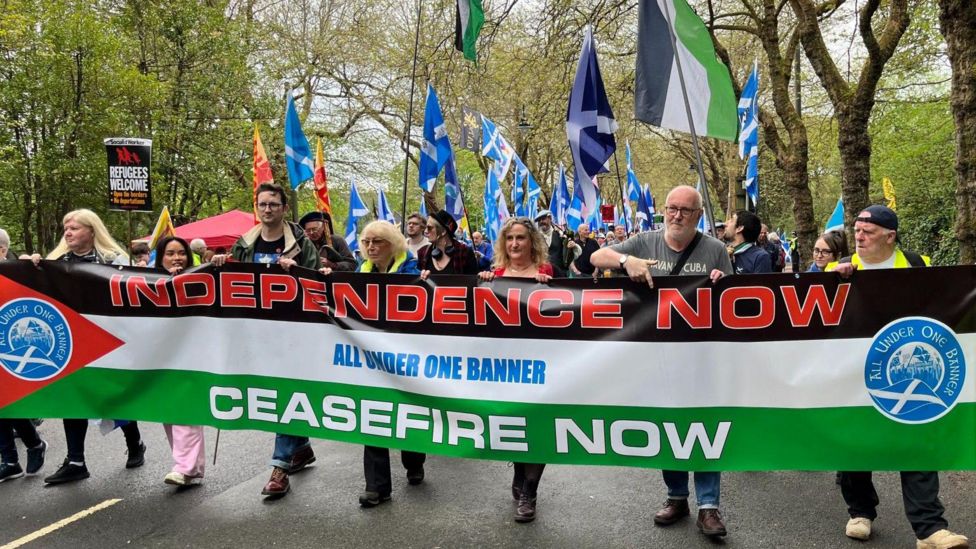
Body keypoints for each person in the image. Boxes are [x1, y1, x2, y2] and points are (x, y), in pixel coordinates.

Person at [590, 185, 732, 538]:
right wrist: (627, 261)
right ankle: (676, 496)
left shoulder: (714, 249)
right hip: (657, 355)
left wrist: (724, 280)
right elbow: (595, 258)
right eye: (672, 208)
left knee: (702, 427)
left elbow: (735, 293)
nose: (677, 215)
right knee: (669, 425)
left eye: (685, 210)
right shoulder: (643, 242)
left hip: (702, 355)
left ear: (699, 215)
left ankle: (709, 506)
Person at [827, 205, 968, 549]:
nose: (858, 237)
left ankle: (929, 529)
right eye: (856, 230)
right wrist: (831, 279)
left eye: (868, 231)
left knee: (917, 442)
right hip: (853, 373)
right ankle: (860, 512)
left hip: (906, 368)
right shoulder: (838, 269)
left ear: (890, 236)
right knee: (856, 443)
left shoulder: (921, 266)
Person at [212, 183, 320, 497]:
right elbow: (233, 282)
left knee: (286, 392)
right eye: (262, 204)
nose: (267, 209)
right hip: (257, 332)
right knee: (274, 392)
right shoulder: (245, 244)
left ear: (284, 208)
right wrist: (222, 265)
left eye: (273, 204)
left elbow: (316, 281)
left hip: (293, 332)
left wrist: (298, 270)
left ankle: (280, 467)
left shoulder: (300, 242)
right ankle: (300, 448)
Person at [23, 209, 145, 485]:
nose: (68, 232)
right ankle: (76, 460)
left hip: (109, 340)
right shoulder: (55, 262)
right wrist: (28, 265)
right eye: (66, 227)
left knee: (112, 397)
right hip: (72, 342)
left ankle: (134, 440)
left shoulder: (115, 260)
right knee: (72, 395)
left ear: (92, 231)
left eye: (75, 227)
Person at [341, 220, 426, 508]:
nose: (371, 247)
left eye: (378, 241)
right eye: (366, 242)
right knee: (372, 415)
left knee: (408, 413)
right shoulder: (359, 272)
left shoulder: (412, 270)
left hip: (405, 357)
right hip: (370, 357)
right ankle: (376, 486)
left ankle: (414, 458)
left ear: (393, 244)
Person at [478, 217, 553, 523]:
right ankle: (520, 471)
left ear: (531, 241)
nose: (514, 244)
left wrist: (552, 288)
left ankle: (530, 492)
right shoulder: (494, 274)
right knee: (516, 423)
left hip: (543, 363)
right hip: (506, 366)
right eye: (509, 239)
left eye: (520, 238)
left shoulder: (546, 272)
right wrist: (481, 282)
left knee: (539, 426)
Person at [153, 236, 207, 487]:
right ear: (160, 258)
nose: (177, 258)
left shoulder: (200, 279)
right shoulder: (145, 282)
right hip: (161, 356)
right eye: (170, 253)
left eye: (181, 253)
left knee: (185, 408)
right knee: (168, 412)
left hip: (191, 354)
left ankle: (184, 467)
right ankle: (191, 466)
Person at [0, 233, 48, 482]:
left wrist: (32, 262)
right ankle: (11, 459)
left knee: (7, 405)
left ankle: (30, 446)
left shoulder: (16, 272)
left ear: (2, 250)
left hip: (12, 347)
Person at [417, 210, 479, 277]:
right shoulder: (422, 253)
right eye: (425, 228)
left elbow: (472, 282)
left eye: (429, 228)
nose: (425, 231)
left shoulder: (465, 252)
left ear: (443, 231)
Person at [534, 211, 573, 276]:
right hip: (542, 275)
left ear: (550, 218)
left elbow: (567, 255)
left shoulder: (560, 234)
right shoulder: (536, 237)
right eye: (539, 220)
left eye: (543, 219)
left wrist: (571, 247)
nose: (541, 222)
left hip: (560, 274)